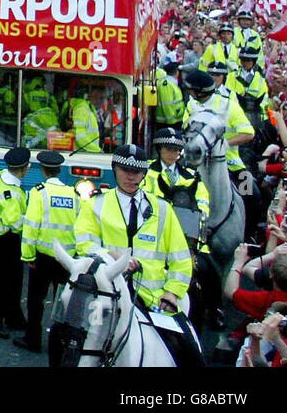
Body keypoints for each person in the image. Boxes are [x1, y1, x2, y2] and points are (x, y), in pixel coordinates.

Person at [73, 145, 195, 323]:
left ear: (144, 174)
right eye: (124, 170)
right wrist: (113, 256)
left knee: (186, 346)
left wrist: (172, 293)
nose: (130, 177)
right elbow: (84, 245)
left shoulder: (163, 209)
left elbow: (181, 258)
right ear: (115, 169)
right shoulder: (95, 204)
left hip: (151, 300)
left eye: (136, 172)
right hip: (106, 295)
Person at [15, 150, 79, 356]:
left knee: (36, 300)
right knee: (62, 303)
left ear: (43, 170)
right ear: (59, 170)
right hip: (67, 259)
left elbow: (31, 226)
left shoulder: (39, 192)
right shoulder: (74, 194)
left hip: (42, 258)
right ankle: (60, 343)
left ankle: (33, 339)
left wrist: (28, 256)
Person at [141, 129, 210, 257]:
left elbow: (202, 201)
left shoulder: (192, 176)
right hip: (155, 228)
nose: (173, 154)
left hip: (186, 230)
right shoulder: (147, 171)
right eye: (168, 149)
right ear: (159, 149)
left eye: (176, 150)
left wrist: (198, 215)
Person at [0, 146, 30, 338]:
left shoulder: (1, 176)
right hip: (5, 239)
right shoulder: (11, 193)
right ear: (25, 168)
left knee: (9, 279)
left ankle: (13, 317)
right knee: (5, 281)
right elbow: (15, 223)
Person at [154, 58, 185, 126]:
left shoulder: (171, 83)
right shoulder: (166, 84)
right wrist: (171, 122)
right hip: (168, 122)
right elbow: (166, 104)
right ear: (177, 72)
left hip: (175, 120)